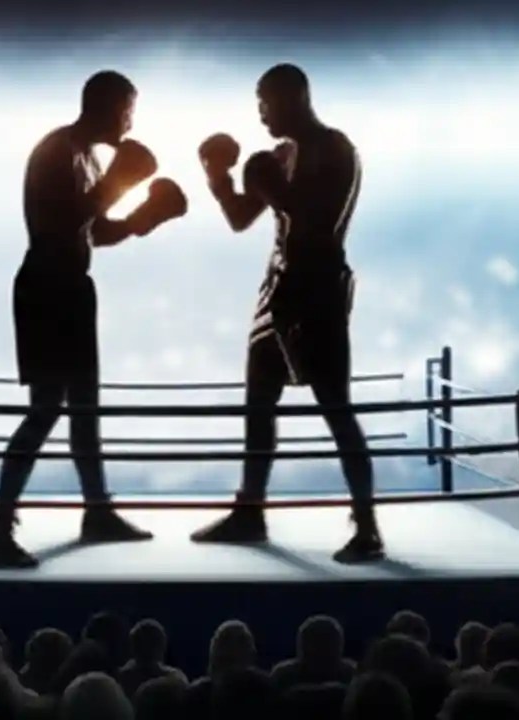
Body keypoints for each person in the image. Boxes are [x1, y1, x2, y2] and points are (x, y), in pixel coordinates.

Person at [0, 69, 189, 568]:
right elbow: (59, 224)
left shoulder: (89, 157)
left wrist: (146, 217)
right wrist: (123, 181)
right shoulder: (55, 151)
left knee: (85, 412)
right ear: (106, 106)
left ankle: (97, 512)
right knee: (45, 411)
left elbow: (96, 232)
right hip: (46, 289)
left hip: (73, 289)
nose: (131, 122)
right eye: (127, 111)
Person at [192, 63, 381, 563]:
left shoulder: (337, 150)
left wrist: (273, 187)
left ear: (293, 97)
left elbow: (320, 223)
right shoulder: (281, 155)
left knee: (336, 408)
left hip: (317, 290)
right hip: (276, 290)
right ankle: (249, 511)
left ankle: (367, 526)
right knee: (258, 406)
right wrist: (218, 178)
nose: (261, 115)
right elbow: (240, 217)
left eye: (266, 103)